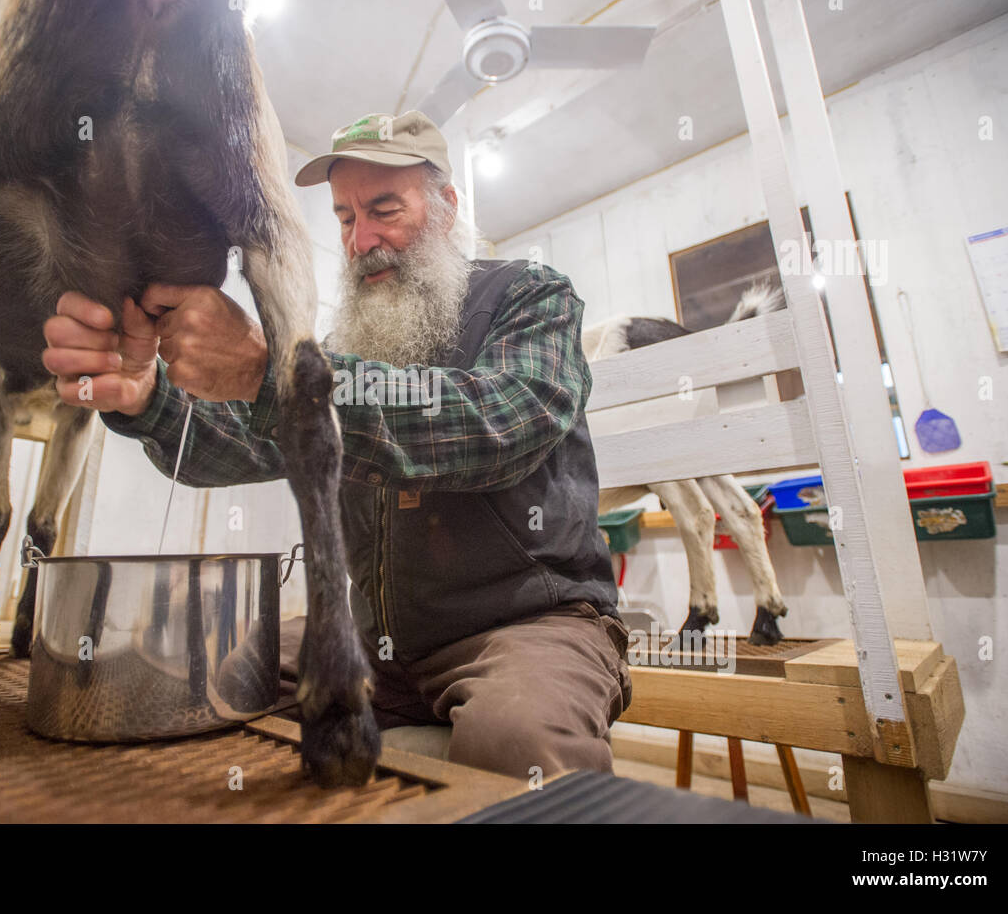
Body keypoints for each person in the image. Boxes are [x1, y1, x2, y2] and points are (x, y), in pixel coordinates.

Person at [43, 110, 632, 779]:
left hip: (529, 627)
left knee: (517, 741)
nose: (362, 240)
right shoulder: (345, 351)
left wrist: (279, 374)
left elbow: (500, 427)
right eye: (346, 218)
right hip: (374, 645)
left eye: (384, 209)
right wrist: (147, 397)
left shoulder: (531, 295)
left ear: (445, 206)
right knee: (197, 667)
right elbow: (244, 443)